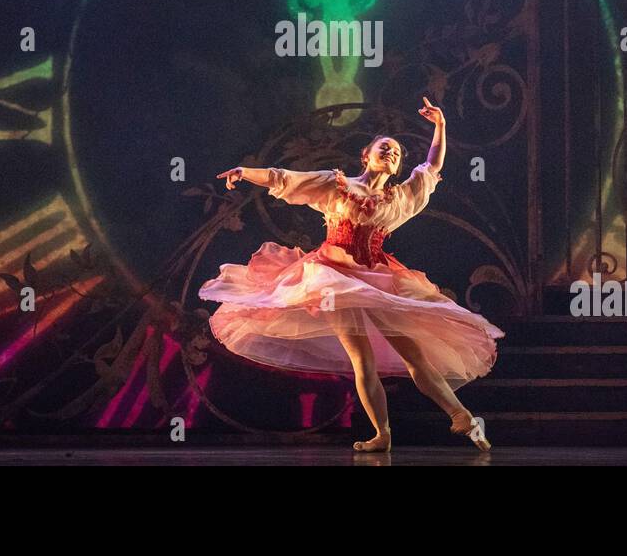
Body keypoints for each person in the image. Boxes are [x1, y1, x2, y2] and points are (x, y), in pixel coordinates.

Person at [199, 97, 504, 452]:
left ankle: (461, 415)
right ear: (367, 156)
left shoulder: (397, 201)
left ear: (396, 167)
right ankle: (382, 434)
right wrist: (245, 172)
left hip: (378, 280)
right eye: (383, 147)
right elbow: (287, 179)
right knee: (362, 358)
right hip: (334, 279)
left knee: (414, 355)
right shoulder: (336, 185)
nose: (390, 152)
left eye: (396, 153)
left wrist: (441, 126)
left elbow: (431, 168)